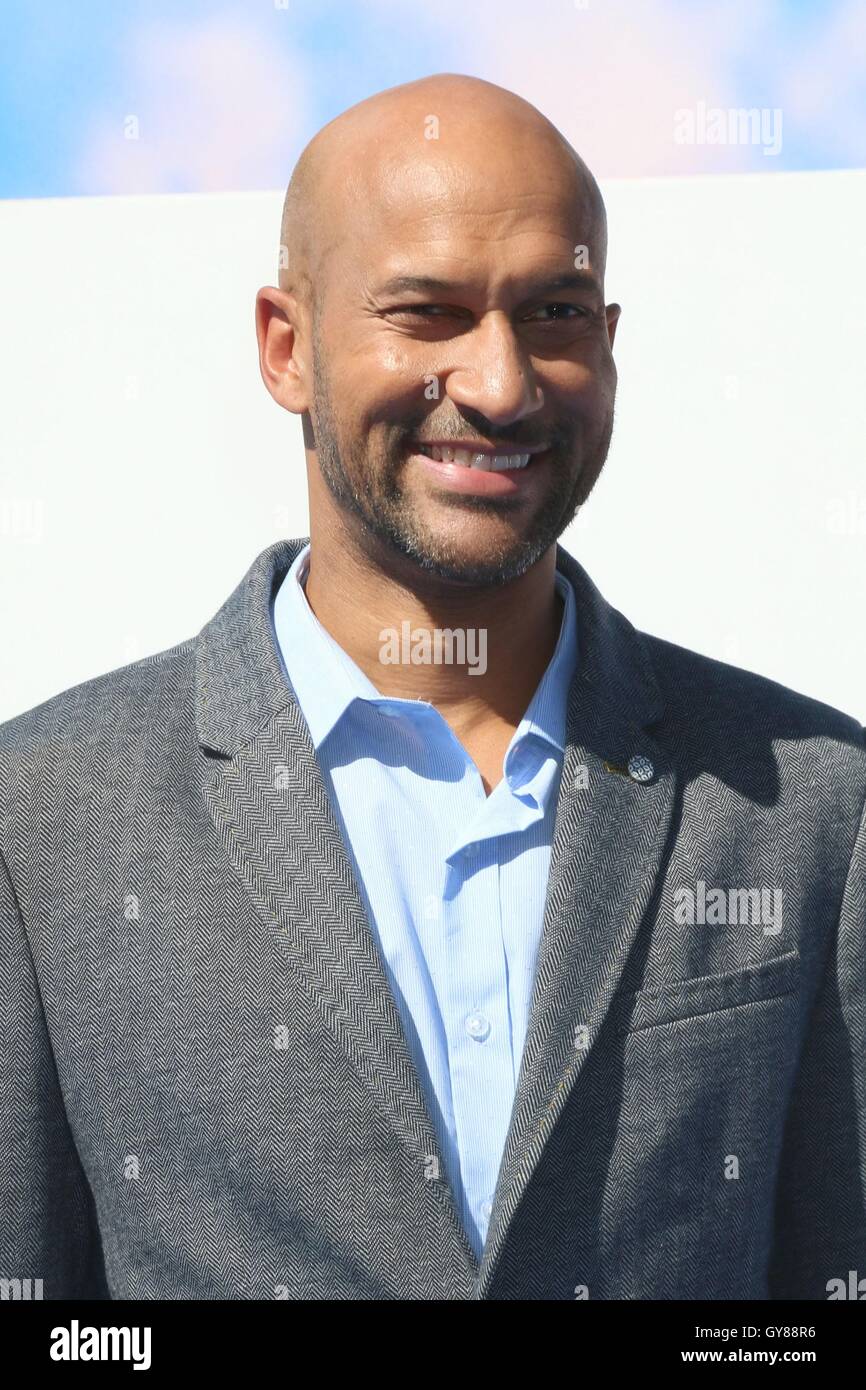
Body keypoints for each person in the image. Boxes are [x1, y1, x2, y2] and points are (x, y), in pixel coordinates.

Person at [1, 74, 864, 1301]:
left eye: (553, 313)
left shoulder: (811, 808)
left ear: (607, 344)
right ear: (287, 348)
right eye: (427, 313)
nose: (500, 383)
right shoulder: (42, 825)